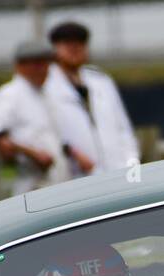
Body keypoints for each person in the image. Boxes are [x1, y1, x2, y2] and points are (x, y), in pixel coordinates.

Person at [44, 21, 139, 177]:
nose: (74, 49)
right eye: (67, 43)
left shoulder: (101, 81)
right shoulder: (46, 87)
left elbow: (123, 129)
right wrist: (72, 153)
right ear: (54, 49)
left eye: (80, 43)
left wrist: (131, 164)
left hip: (117, 173)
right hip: (72, 178)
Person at [0, 42, 72, 196]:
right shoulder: (10, 93)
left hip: (54, 181)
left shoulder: (44, 93)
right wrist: (33, 154)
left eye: (46, 63)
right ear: (20, 66)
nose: (43, 69)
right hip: (31, 185)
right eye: (37, 64)